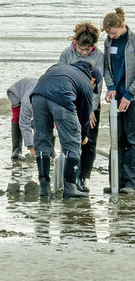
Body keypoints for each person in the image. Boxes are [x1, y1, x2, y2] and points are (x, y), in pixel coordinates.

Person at [30, 61, 100, 199]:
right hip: (62, 99)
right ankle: (70, 187)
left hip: (37, 96)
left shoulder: (58, 66)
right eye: (95, 86)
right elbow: (84, 114)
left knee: (42, 141)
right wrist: (83, 135)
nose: (93, 88)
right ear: (93, 79)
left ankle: (44, 187)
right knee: (72, 143)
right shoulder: (86, 83)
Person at [58, 22, 104, 192]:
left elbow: (97, 86)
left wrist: (91, 109)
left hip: (91, 103)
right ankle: (70, 177)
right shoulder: (66, 54)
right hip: (71, 103)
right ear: (75, 42)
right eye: (81, 49)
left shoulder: (98, 56)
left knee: (89, 141)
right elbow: (60, 78)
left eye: (87, 50)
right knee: (71, 140)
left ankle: (83, 177)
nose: (83, 53)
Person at [102, 7, 135, 193]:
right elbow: (107, 68)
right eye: (108, 33)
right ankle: (116, 181)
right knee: (116, 139)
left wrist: (129, 95)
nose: (111, 36)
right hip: (116, 99)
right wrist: (111, 87)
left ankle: (130, 183)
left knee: (131, 140)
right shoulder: (108, 43)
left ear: (122, 26)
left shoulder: (133, 40)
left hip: (132, 98)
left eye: (113, 32)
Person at [6, 77, 38, 160]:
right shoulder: (27, 103)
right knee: (17, 117)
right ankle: (16, 150)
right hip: (17, 92)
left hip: (34, 88)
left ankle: (51, 150)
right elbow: (24, 123)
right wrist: (32, 149)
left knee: (45, 122)